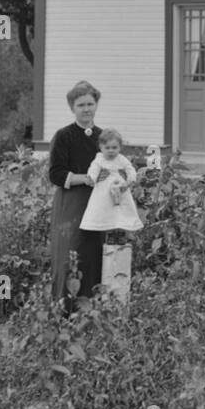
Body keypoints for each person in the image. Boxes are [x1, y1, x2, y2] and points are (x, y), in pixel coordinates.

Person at [47, 81, 103, 310]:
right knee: (70, 254)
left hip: (98, 205)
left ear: (96, 105)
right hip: (71, 205)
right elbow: (55, 174)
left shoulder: (103, 137)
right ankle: (66, 308)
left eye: (90, 103)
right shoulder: (63, 136)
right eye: (81, 105)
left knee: (93, 254)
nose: (86, 109)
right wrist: (85, 178)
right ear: (73, 107)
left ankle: (92, 309)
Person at [78, 128, 144, 304]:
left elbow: (131, 171)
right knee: (103, 210)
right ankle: (105, 228)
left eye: (114, 147)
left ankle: (120, 233)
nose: (111, 151)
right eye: (107, 148)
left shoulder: (121, 160)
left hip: (120, 190)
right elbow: (93, 170)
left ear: (119, 148)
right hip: (103, 192)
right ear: (101, 147)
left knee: (121, 212)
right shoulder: (99, 159)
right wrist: (91, 178)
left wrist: (129, 180)